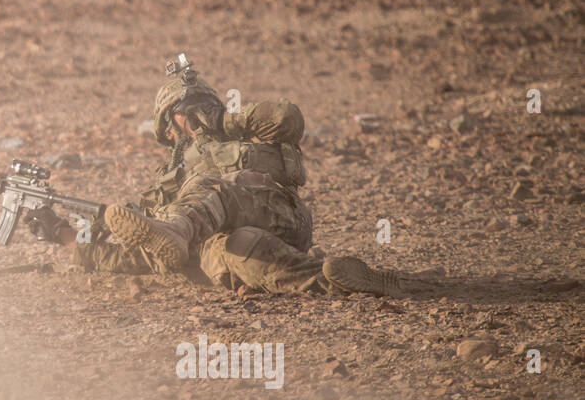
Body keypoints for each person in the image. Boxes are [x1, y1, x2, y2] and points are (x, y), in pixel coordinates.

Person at [40, 55, 399, 296]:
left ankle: (179, 230)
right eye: (182, 109)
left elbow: (288, 118)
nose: (194, 113)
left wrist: (225, 120)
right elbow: (149, 256)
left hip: (281, 213)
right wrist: (66, 236)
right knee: (228, 251)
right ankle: (331, 278)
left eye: (202, 105)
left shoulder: (244, 131)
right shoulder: (167, 185)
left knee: (207, 187)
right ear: (167, 129)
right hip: (244, 237)